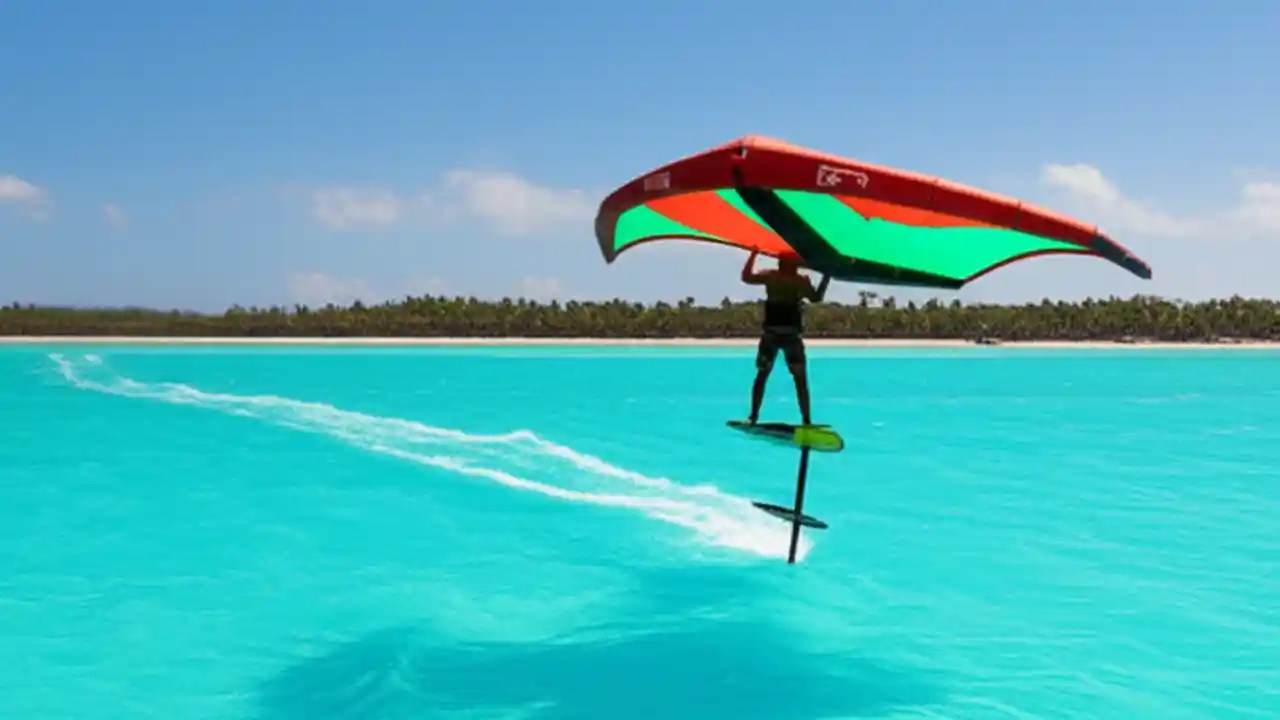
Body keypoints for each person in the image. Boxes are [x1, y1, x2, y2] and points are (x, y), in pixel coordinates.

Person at [739, 249, 831, 425]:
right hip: (787, 336)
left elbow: (746, 277)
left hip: (775, 335)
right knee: (797, 379)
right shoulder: (799, 281)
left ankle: (753, 416)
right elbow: (816, 298)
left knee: (764, 376)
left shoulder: (773, 277)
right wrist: (826, 276)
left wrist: (753, 254)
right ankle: (806, 420)